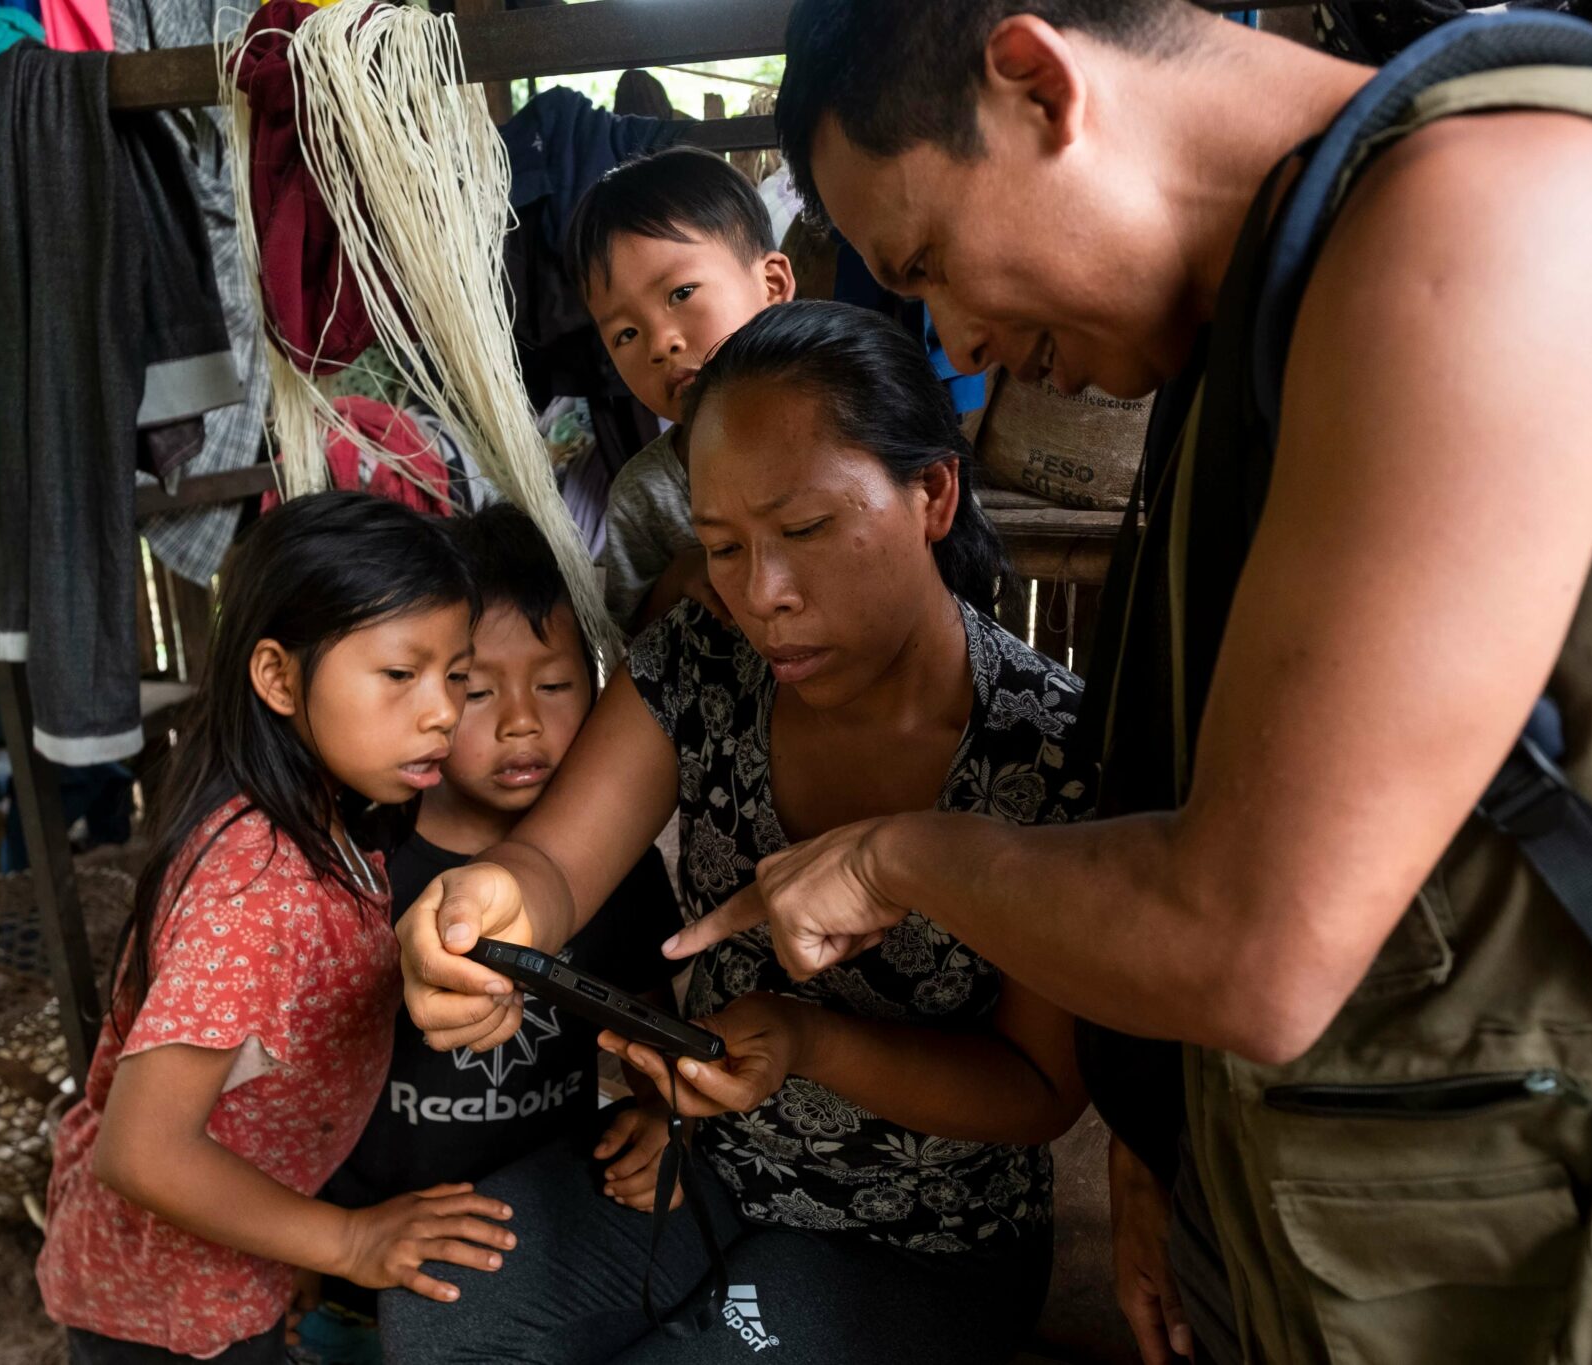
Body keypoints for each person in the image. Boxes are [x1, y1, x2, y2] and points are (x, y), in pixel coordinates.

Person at [411, 3, 1592, 1363]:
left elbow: (1258, 943)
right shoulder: (1268, 324)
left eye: (923, 263)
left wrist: (891, 861)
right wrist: (1167, 1150)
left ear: (1039, 86)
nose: (960, 345)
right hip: (1436, 1233)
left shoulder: (1480, 224)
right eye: (724, 548)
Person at [384, 301, 1096, 1365]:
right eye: (721, 546)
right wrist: (490, 900)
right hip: (701, 1156)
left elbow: (1038, 1092)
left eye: (804, 530)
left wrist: (803, 1043)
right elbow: (550, 864)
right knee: (441, 1311)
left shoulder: (1044, 753)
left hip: (922, 1235)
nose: (762, 596)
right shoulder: (700, 666)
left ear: (931, 493)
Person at [37, 492, 517, 1364]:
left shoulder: (323, 819)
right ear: (278, 676)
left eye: (455, 674)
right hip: (164, 1306)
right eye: (401, 674)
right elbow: (142, 1152)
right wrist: (348, 1242)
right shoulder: (254, 893)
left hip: (224, 1266)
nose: (444, 709)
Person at [303, 503, 687, 1356]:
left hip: (535, 1223)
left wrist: (667, 1120)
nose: (521, 720)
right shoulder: (364, 858)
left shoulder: (612, 864)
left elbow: (651, 1033)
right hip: (367, 1245)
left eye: (553, 685)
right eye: (478, 691)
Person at [570, 145, 795, 632]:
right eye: (625, 334)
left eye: (681, 294)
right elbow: (635, 638)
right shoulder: (645, 496)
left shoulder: (851, 425)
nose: (660, 344)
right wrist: (681, 577)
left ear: (772, 285)